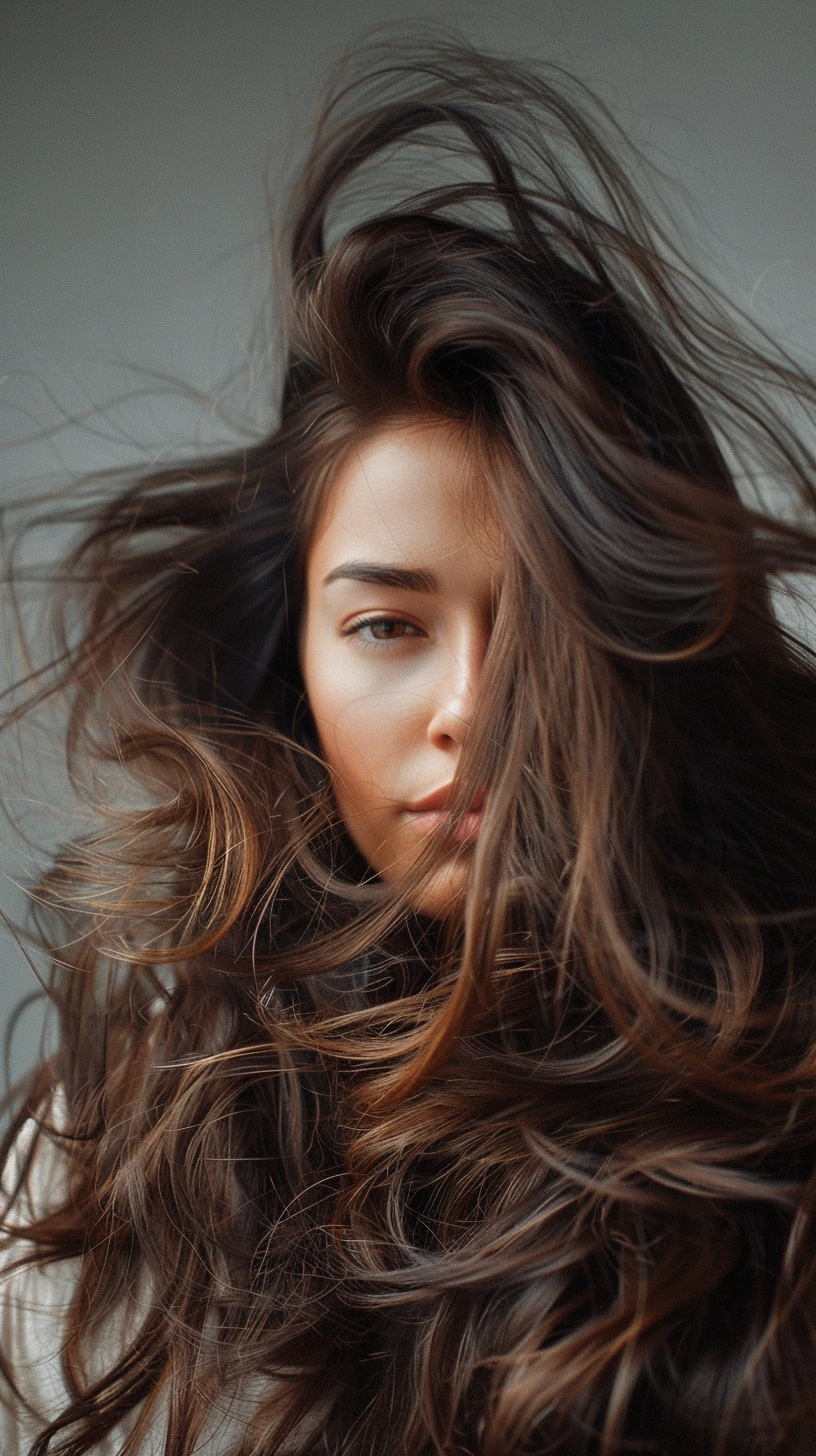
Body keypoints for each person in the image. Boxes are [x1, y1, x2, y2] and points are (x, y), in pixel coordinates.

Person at [2, 38, 816, 1456]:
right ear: (293, 662)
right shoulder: (110, 1161)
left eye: (552, 625)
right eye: (387, 626)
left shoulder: (785, 1118)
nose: (473, 710)